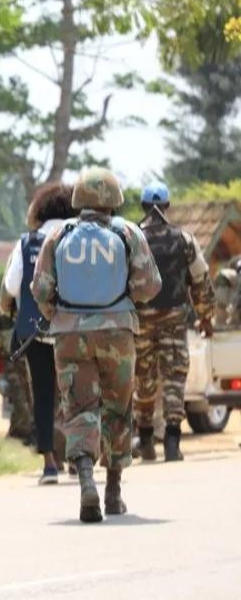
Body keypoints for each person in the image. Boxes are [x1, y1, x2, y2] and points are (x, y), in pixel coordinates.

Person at [31, 167, 161, 523]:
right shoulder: (128, 232)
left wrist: (58, 315)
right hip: (117, 332)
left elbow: (40, 289)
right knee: (118, 409)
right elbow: (149, 285)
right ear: (114, 200)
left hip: (69, 336)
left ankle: (86, 480)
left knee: (78, 408)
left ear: (79, 200)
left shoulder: (58, 235)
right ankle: (114, 491)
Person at [1, 182, 79, 483]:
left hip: (35, 331)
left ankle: (49, 463)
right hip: (73, 328)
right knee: (75, 393)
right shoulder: (79, 237)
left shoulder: (27, 242)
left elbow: (10, 286)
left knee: (44, 394)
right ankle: (77, 458)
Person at [133, 182, 214, 462]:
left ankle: (144, 440)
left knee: (143, 379)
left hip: (140, 321)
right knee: (174, 379)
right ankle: (171, 441)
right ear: (167, 206)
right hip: (175, 320)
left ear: (143, 207)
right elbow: (201, 280)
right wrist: (206, 316)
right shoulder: (184, 239)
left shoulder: (133, 239)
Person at [0, 307, 35, 445]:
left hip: (31, 364)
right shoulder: (1, 318)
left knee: (32, 398)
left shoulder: (34, 312)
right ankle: (27, 432)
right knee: (19, 399)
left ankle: (21, 430)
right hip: (13, 368)